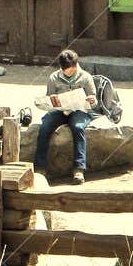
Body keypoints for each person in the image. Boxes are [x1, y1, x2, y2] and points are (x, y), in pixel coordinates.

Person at [33, 49, 97, 184]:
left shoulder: (85, 77)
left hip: (79, 110)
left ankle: (78, 169)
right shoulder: (54, 78)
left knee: (78, 127)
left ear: (75, 65)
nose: (67, 72)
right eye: (64, 69)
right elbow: (49, 98)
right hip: (60, 110)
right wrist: (50, 100)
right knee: (45, 127)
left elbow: (94, 100)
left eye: (70, 69)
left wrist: (91, 100)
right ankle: (40, 168)